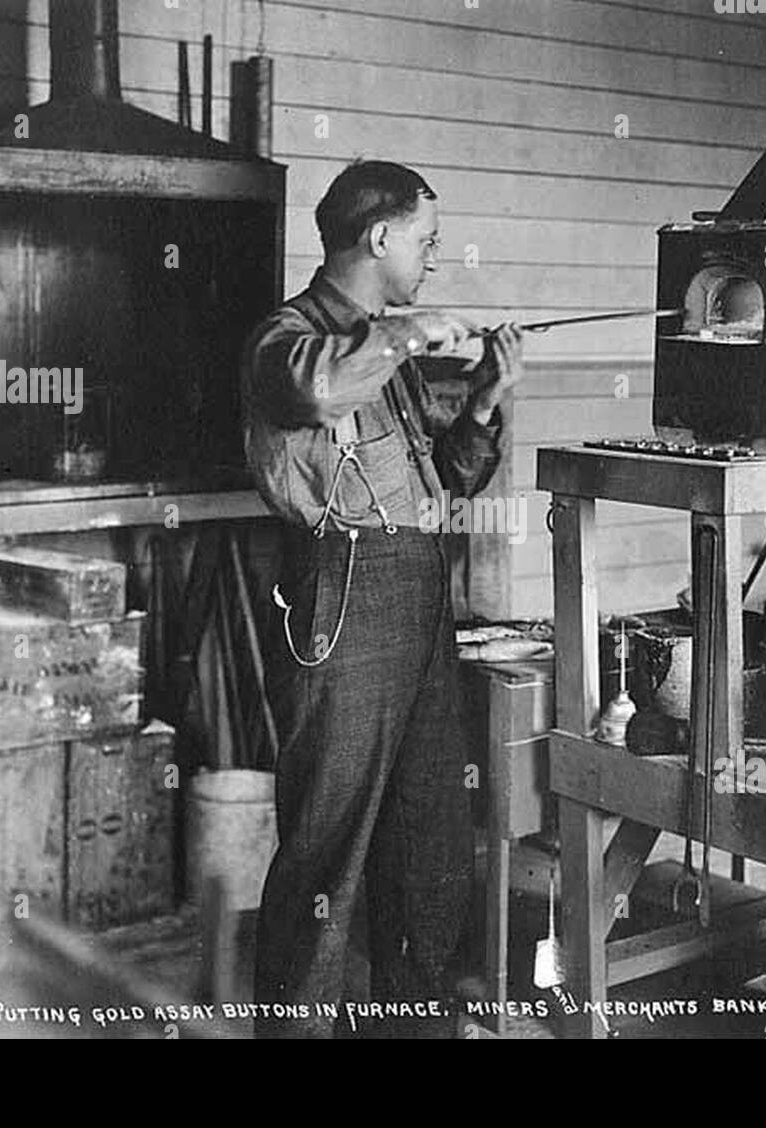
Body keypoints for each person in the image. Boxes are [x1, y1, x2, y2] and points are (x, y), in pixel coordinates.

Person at [243, 160, 524, 1037]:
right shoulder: (287, 339)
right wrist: (408, 335)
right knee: (329, 851)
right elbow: (316, 389)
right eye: (426, 240)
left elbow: (442, 483)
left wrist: (484, 402)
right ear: (379, 238)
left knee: (430, 839)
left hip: (416, 594)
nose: (434, 257)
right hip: (342, 596)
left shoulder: (380, 344)